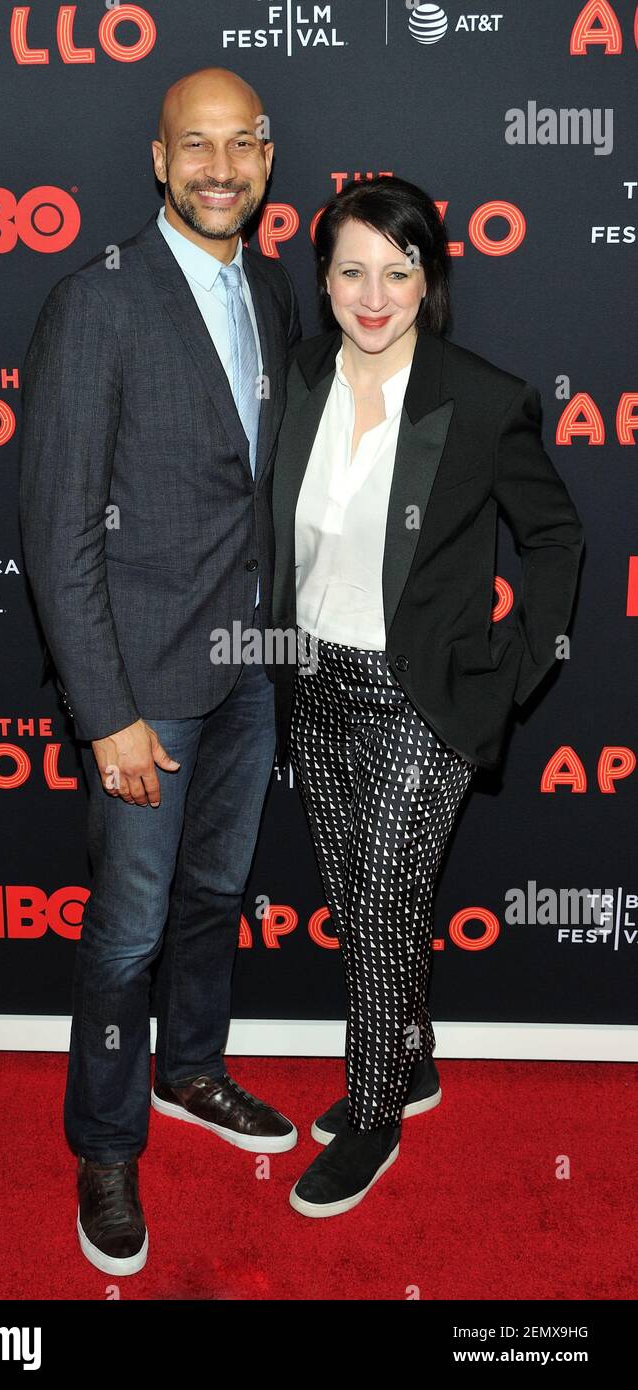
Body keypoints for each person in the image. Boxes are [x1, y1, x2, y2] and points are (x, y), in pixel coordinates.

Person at [18, 66, 302, 1276]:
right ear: (158, 160)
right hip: (143, 685)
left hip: (252, 667)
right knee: (128, 930)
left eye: (240, 144)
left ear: (269, 155)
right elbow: (56, 530)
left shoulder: (275, 290)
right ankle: (105, 1142)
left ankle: (189, 1068)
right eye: (197, 146)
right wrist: (107, 713)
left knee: (214, 895)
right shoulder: (100, 301)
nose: (220, 167)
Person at [271, 174, 585, 1218]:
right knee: (364, 913)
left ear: (427, 279)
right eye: (351, 270)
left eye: (395, 271)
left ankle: (372, 1117)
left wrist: (515, 671)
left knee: (385, 906)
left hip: (420, 702)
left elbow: (556, 537)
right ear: (323, 278)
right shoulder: (302, 374)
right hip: (313, 683)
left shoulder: (482, 399)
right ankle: (410, 1060)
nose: (372, 294)